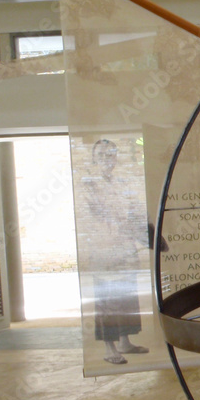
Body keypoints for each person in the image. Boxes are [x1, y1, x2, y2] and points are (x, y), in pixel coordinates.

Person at [82, 139, 150, 364]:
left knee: (126, 298)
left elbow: (135, 210)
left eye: (110, 154)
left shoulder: (122, 183)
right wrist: (118, 224)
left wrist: (142, 229)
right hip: (104, 250)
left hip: (125, 248)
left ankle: (125, 341)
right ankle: (109, 347)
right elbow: (94, 217)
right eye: (101, 155)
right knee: (107, 300)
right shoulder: (89, 185)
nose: (106, 159)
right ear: (94, 158)